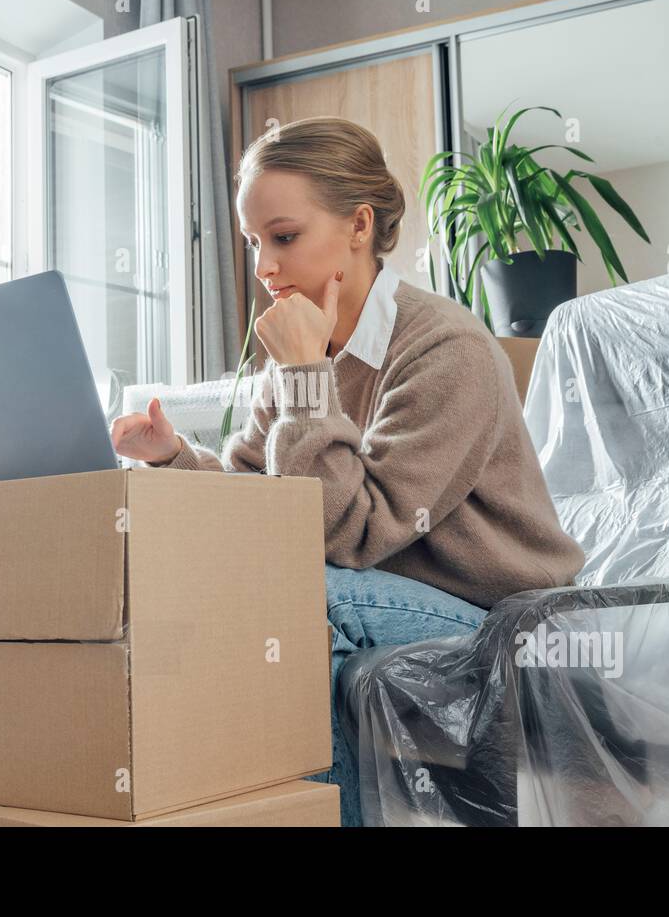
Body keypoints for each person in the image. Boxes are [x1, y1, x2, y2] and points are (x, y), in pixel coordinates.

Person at [110, 116, 584, 826]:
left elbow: (343, 535)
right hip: (393, 597)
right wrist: (173, 457)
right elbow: (256, 507)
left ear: (359, 226)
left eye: (284, 236)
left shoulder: (445, 348)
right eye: (253, 243)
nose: (264, 266)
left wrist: (304, 375)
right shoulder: (299, 354)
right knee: (218, 586)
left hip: (508, 619)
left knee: (300, 592)